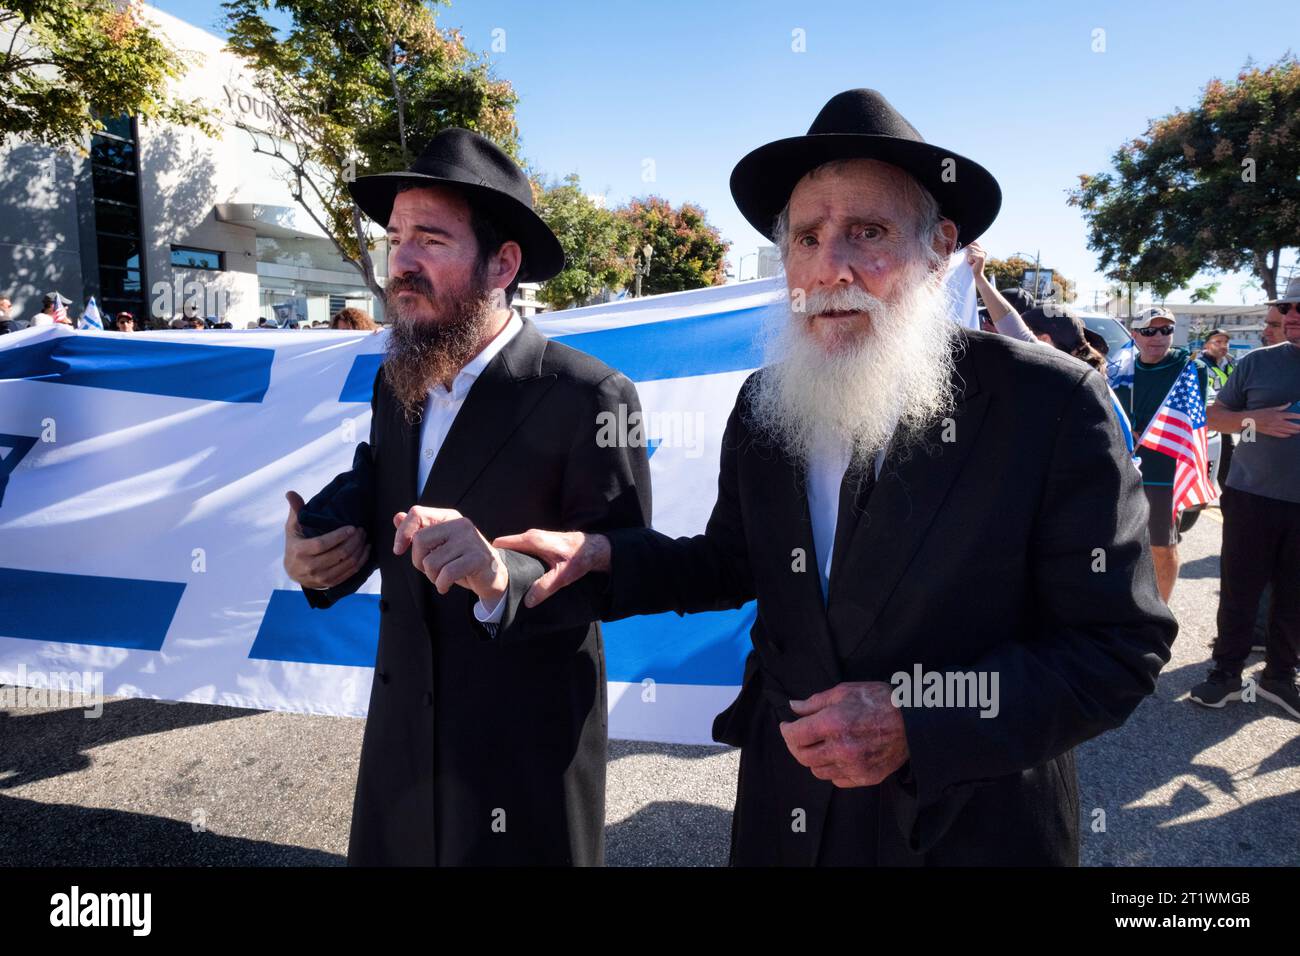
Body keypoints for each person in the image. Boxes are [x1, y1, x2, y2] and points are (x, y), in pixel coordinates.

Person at [486, 90, 1176, 866]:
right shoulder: (765, 401)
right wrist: (607, 557)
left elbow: (1118, 646)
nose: (830, 267)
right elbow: (733, 560)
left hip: (968, 825)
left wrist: (919, 718)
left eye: (868, 233)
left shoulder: (1047, 404)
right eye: (807, 237)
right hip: (787, 813)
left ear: (939, 247)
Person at [281, 128, 651, 866]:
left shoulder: (588, 394)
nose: (403, 261)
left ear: (502, 264)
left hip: (521, 760)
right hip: (401, 744)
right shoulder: (399, 376)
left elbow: (622, 569)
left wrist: (496, 576)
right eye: (395, 238)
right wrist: (320, 546)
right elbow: (384, 482)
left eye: (431, 238)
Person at [1190, 282, 1300, 718]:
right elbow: (1213, 416)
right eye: (1285, 307)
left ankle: (1278, 677)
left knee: (1294, 594)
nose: (1290, 314)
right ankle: (1226, 674)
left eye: (1298, 307)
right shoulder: (1257, 363)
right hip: (1252, 497)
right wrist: (1256, 421)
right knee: (1240, 589)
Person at [1111, 307, 1208, 602]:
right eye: (1150, 331)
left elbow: (1190, 418)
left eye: (1166, 330)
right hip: (1120, 467)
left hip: (1162, 470)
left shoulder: (1189, 368)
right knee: (1114, 545)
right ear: (1135, 334)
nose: (1159, 338)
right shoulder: (1117, 366)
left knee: (1160, 547)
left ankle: (1160, 617)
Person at [964, 241, 1037, 343]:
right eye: (984, 319)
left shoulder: (1032, 352)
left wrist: (979, 276)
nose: (985, 325)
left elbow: (1022, 337)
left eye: (992, 320)